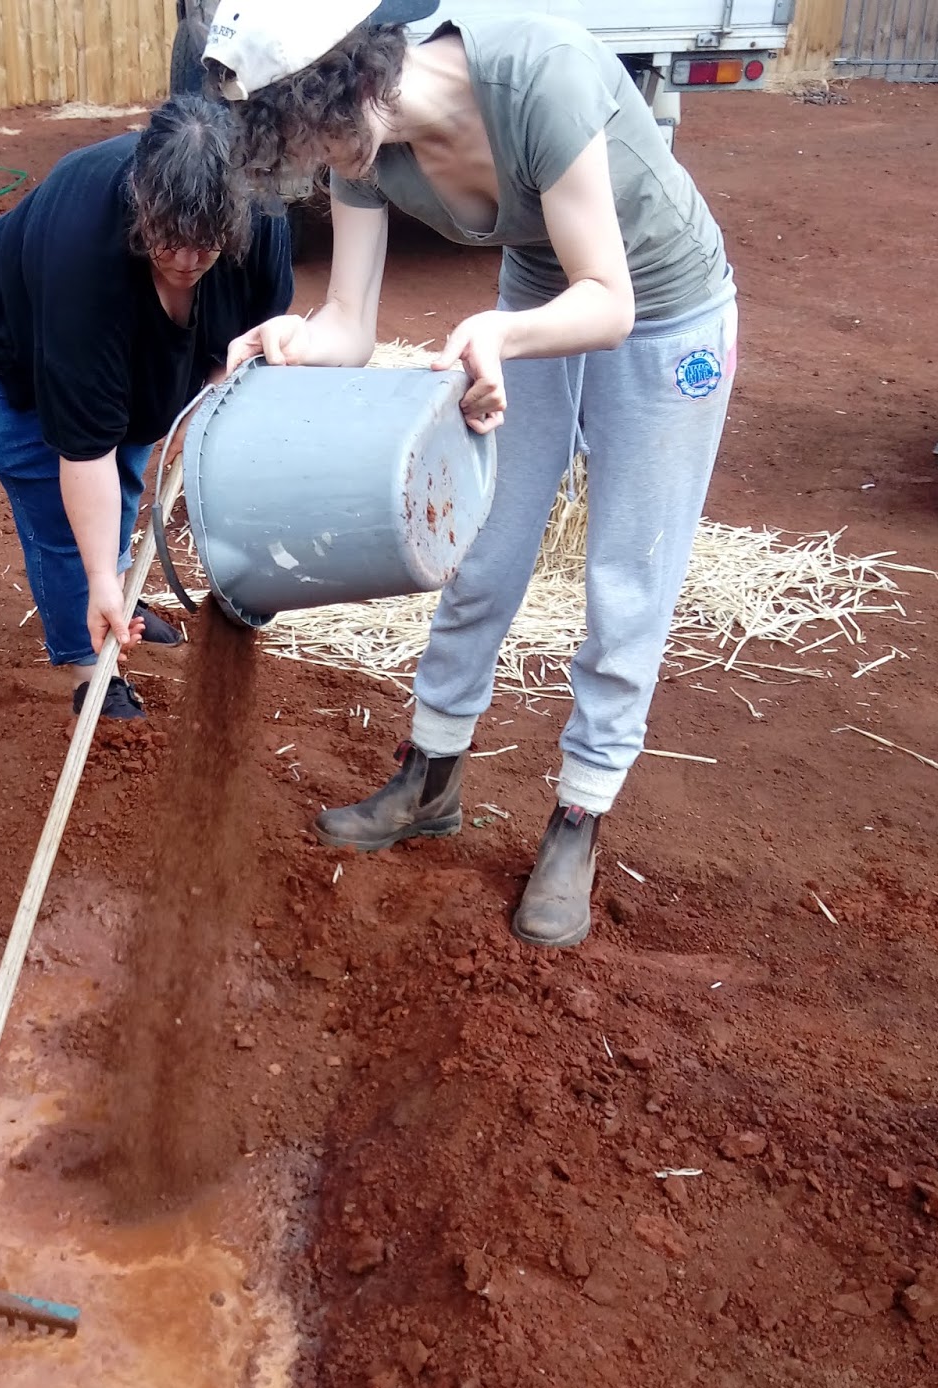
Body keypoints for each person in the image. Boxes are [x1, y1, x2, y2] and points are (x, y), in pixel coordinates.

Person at [207, 0, 738, 946]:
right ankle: (433, 774)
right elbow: (352, 323)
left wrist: (499, 332)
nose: (312, 164)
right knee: (481, 543)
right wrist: (291, 337)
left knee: (627, 577)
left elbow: (609, 302)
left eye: (302, 135)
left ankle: (579, 813)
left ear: (346, 81)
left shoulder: (541, 76)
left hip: (661, 308)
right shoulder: (363, 149)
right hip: (539, 291)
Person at [0, 95, 294, 720]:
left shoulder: (260, 217)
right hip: (4, 345)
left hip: (121, 342)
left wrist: (206, 404)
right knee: (53, 502)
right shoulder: (85, 252)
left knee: (130, 466)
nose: (184, 263)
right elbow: (85, 448)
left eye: (205, 247)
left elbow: (245, 339)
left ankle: (117, 592)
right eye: (167, 242)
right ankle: (84, 655)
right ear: (142, 201)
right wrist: (99, 574)